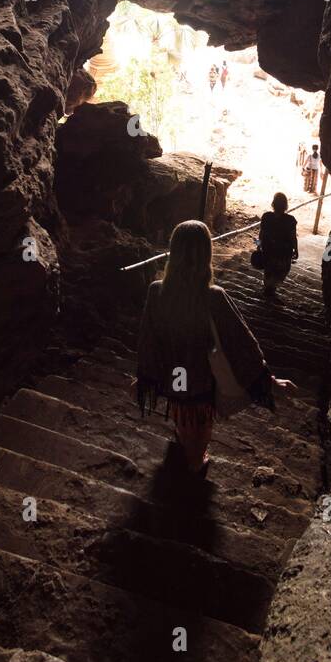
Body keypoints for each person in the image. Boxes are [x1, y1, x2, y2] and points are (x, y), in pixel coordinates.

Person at [136, 220, 295, 475]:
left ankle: (183, 440)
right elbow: (241, 343)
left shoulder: (157, 291)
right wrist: (268, 381)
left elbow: (148, 338)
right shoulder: (214, 297)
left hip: (174, 374)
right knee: (200, 420)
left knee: (180, 405)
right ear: (206, 254)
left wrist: (146, 375)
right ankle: (196, 461)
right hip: (201, 377)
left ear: (173, 251)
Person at [258, 192, 299, 299]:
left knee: (269, 268)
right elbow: (292, 237)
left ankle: (268, 287)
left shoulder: (266, 217)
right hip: (283, 252)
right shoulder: (290, 220)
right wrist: (296, 249)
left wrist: (258, 245)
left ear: (273, 204)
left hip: (268, 249)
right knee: (281, 270)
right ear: (285, 205)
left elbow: (261, 234)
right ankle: (271, 288)